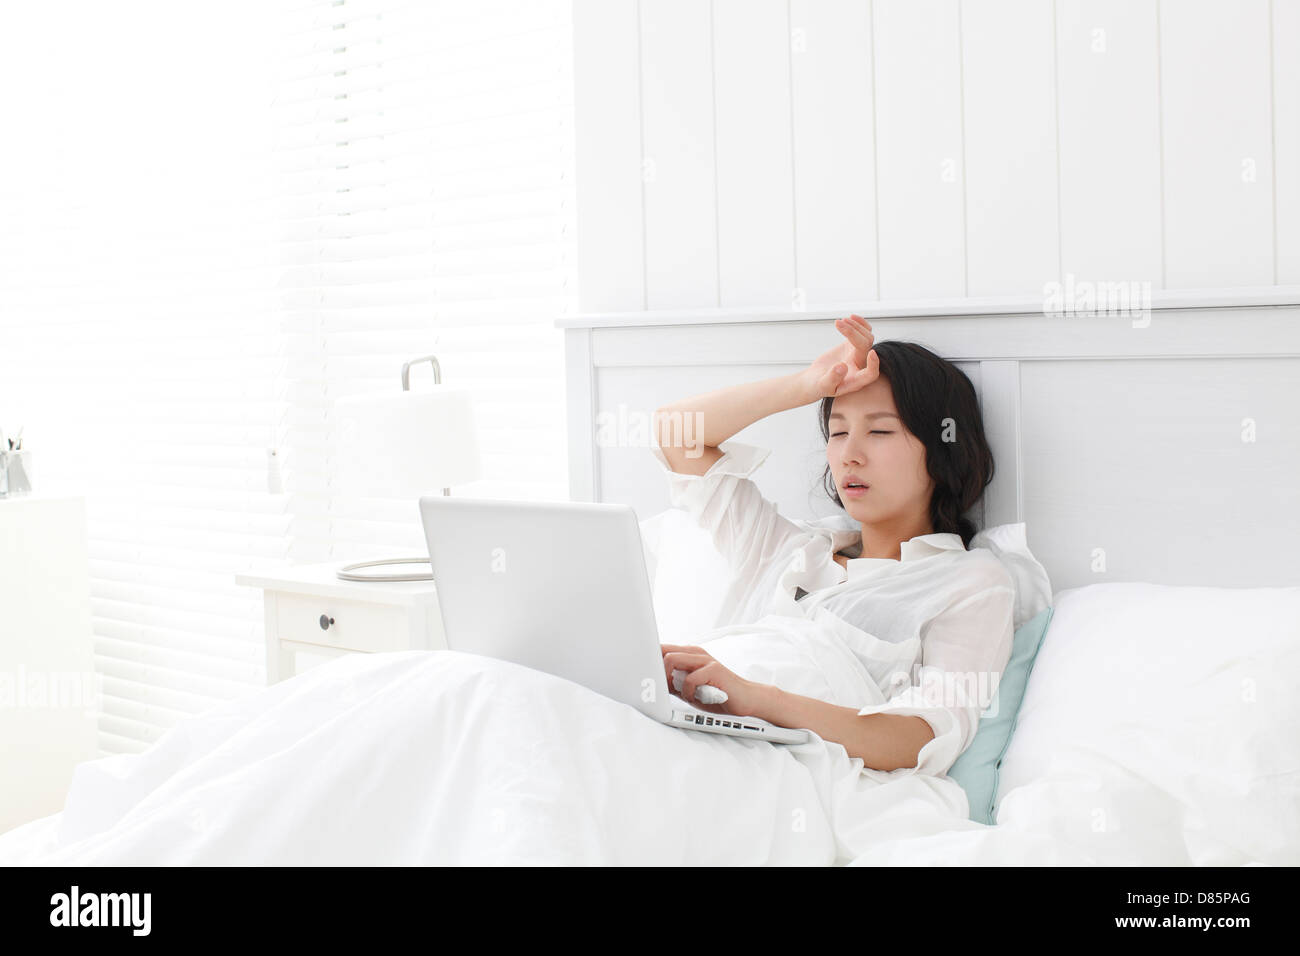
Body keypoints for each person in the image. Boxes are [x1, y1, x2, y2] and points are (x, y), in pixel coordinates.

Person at [652, 315, 1016, 776]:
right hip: (683, 731)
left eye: (879, 431)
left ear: (944, 450)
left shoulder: (969, 581)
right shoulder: (786, 548)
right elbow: (675, 432)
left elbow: (922, 737)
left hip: (770, 770)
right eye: (838, 432)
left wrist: (757, 699)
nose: (850, 454)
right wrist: (807, 385)